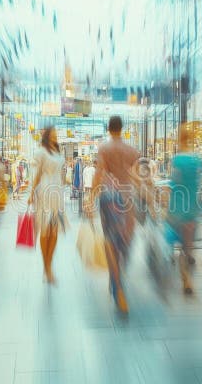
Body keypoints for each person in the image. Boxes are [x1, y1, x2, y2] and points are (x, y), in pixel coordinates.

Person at [88, 116, 140, 313]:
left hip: (109, 198)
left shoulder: (104, 149)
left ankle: (117, 285)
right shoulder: (133, 151)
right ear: (121, 128)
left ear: (109, 129)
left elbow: (99, 174)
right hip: (128, 198)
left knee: (110, 240)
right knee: (124, 240)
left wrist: (90, 196)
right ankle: (117, 275)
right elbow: (139, 177)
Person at [167, 126, 202, 294]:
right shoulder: (197, 159)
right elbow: (198, 181)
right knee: (187, 246)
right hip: (192, 207)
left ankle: (185, 278)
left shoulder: (177, 160)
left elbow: (174, 182)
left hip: (178, 207)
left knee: (176, 240)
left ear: (178, 139)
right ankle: (187, 279)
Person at [29, 126, 66, 284]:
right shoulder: (41, 152)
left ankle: (49, 264)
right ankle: (46, 267)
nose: (56, 135)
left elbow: (61, 173)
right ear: (47, 135)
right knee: (45, 230)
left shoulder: (58, 152)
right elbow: (37, 174)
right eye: (53, 133)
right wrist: (31, 193)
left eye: (56, 133)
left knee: (54, 230)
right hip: (45, 191)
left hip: (57, 192)